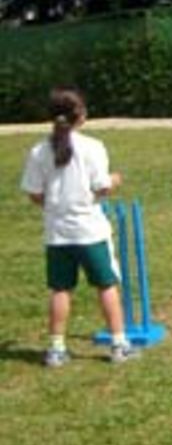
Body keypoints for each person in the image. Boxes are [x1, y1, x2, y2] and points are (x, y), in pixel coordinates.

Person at [20, 87, 139, 366]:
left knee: (60, 288)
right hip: (90, 230)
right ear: (81, 116)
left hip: (57, 233)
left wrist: (55, 206)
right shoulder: (92, 146)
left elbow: (34, 193)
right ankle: (119, 344)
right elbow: (101, 187)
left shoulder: (39, 151)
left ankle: (57, 349)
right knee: (106, 285)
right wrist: (115, 180)